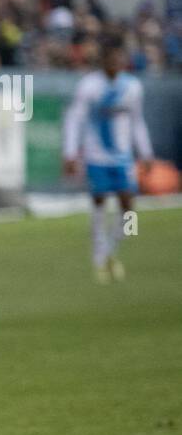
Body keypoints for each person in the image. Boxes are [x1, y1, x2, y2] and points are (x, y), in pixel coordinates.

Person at [61, 38, 154, 283]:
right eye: (110, 59)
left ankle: (110, 251)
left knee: (129, 209)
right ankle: (99, 259)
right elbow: (75, 119)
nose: (115, 63)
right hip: (96, 156)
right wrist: (71, 152)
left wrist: (145, 152)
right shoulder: (89, 86)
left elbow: (137, 122)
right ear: (102, 61)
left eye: (118, 59)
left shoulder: (132, 87)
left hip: (123, 157)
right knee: (99, 204)